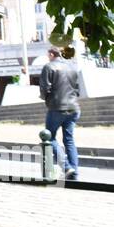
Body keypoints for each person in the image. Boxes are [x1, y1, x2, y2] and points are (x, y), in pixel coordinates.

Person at [38, 46, 81, 180]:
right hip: (73, 107)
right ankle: (74, 172)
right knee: (69, 139)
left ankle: (67, 167)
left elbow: (44, 87)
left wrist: (45, 97)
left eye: (48, 55)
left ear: (51, 54)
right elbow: (77, 88)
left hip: (57, 107)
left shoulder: (49, 67)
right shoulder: (72, 67)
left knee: (49, 138)